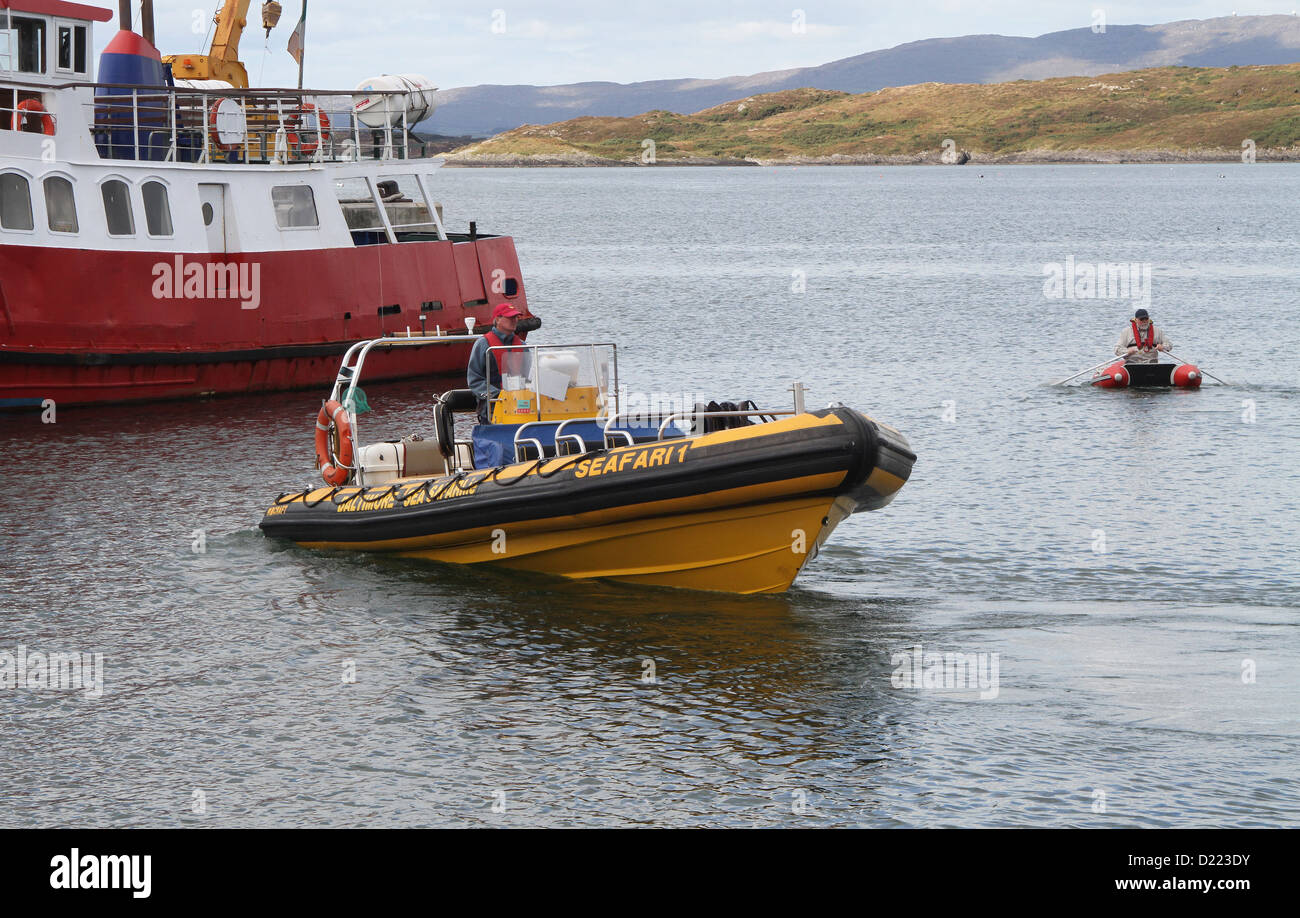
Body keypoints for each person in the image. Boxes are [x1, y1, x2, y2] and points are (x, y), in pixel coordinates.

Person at [467, 302, 530, 422]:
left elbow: (528, 376)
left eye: (516, 317)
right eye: (510, 317)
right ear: (498, 320)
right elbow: (474, 380)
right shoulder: (483, 344)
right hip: (493, 406)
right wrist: (499, 395)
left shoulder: (522, 345)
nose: (515, 320)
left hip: (521, 405)